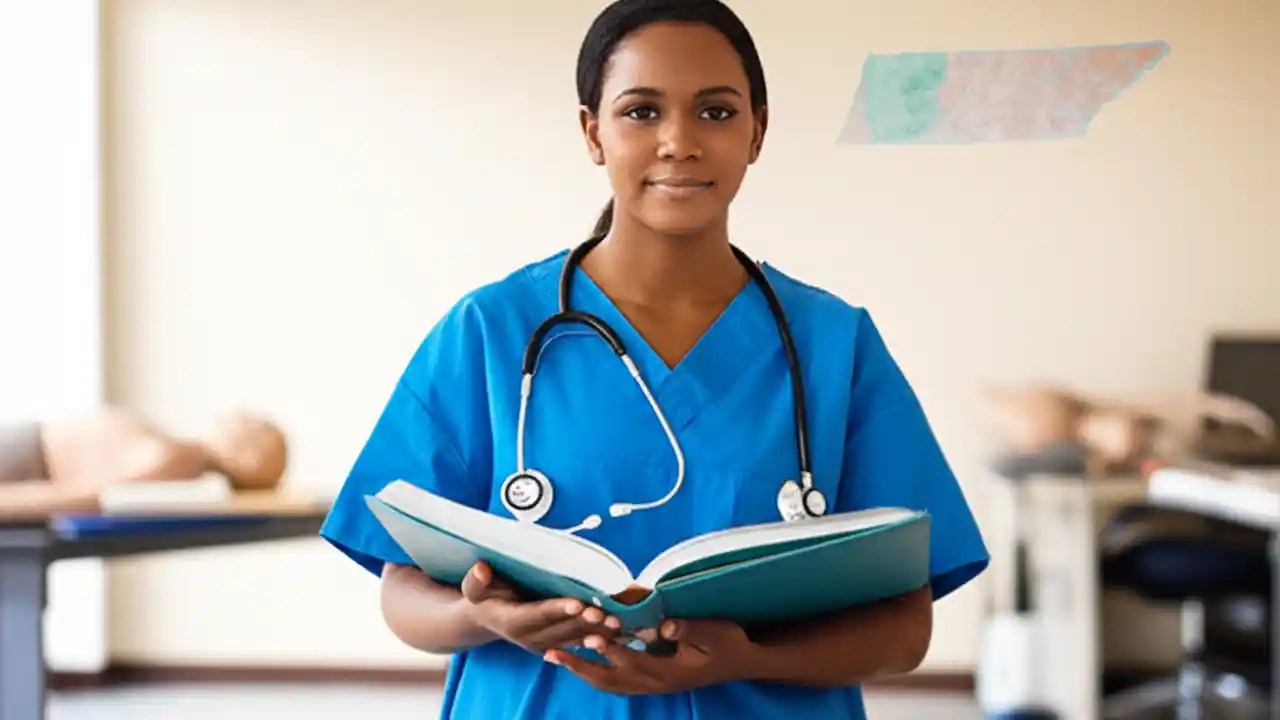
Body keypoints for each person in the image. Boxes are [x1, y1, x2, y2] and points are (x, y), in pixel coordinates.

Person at [319, 1, 988, 717]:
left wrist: (751, 659)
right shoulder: (489, 331)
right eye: (641, 112)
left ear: (758, 132)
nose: (679, 142)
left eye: (716, 112)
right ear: (592, 132)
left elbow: (905, 629)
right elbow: (402, 591)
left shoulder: (833, 345)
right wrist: (479, 617)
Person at [0, 408, 287, 518]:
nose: (241, 415)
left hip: (23, 456)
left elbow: (84, 498)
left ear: (246, 459)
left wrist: (8, 504)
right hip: (25, 449)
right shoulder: (175, 455)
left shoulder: (172, 462)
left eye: (253, 425)